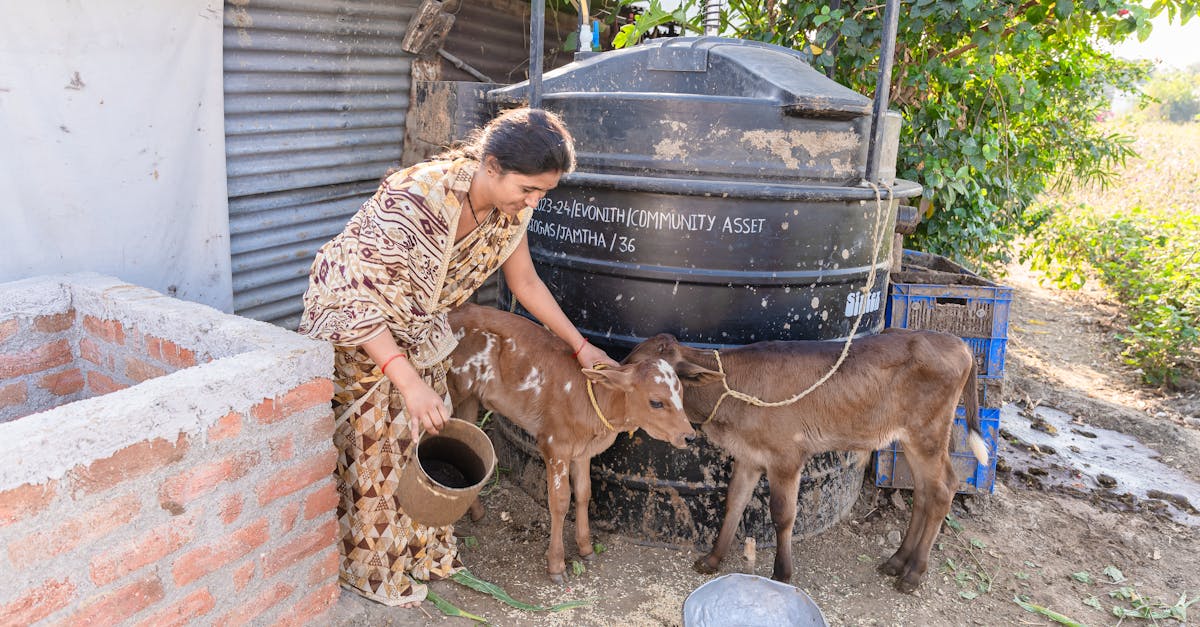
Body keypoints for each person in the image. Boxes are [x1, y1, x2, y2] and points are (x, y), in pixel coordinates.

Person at [297, 107, 616, 608]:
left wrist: (580, 345)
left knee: (424, 449)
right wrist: (406, 379)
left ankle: (417, 553)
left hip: (421, 336)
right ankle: (370, 569)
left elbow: (525, 283)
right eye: (528, 189)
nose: (534, 201)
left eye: (542, 193)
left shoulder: (510, 211)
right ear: (491, 165)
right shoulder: (416, 197)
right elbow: (349, 295)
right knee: (375, 460)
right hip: (360, 338)